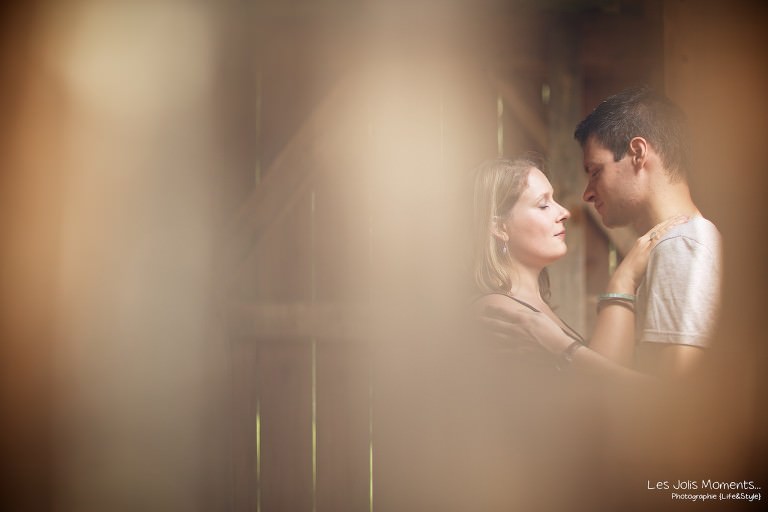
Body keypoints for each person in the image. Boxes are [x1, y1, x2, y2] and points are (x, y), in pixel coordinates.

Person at [471, 158, 685, 379]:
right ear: (500, 227)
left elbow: (602, 377)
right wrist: (563, 348)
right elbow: (602, 391)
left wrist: (623, 280)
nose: (564, 212)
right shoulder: (498, 312)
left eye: (554, 200)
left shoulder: (531, 307)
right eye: (543, 205)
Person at [574, 86, 722, 376]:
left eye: (595, 172)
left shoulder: (680, 245)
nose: (587, 193)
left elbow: (674, 396)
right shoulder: (680, 242)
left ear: (638, 153)